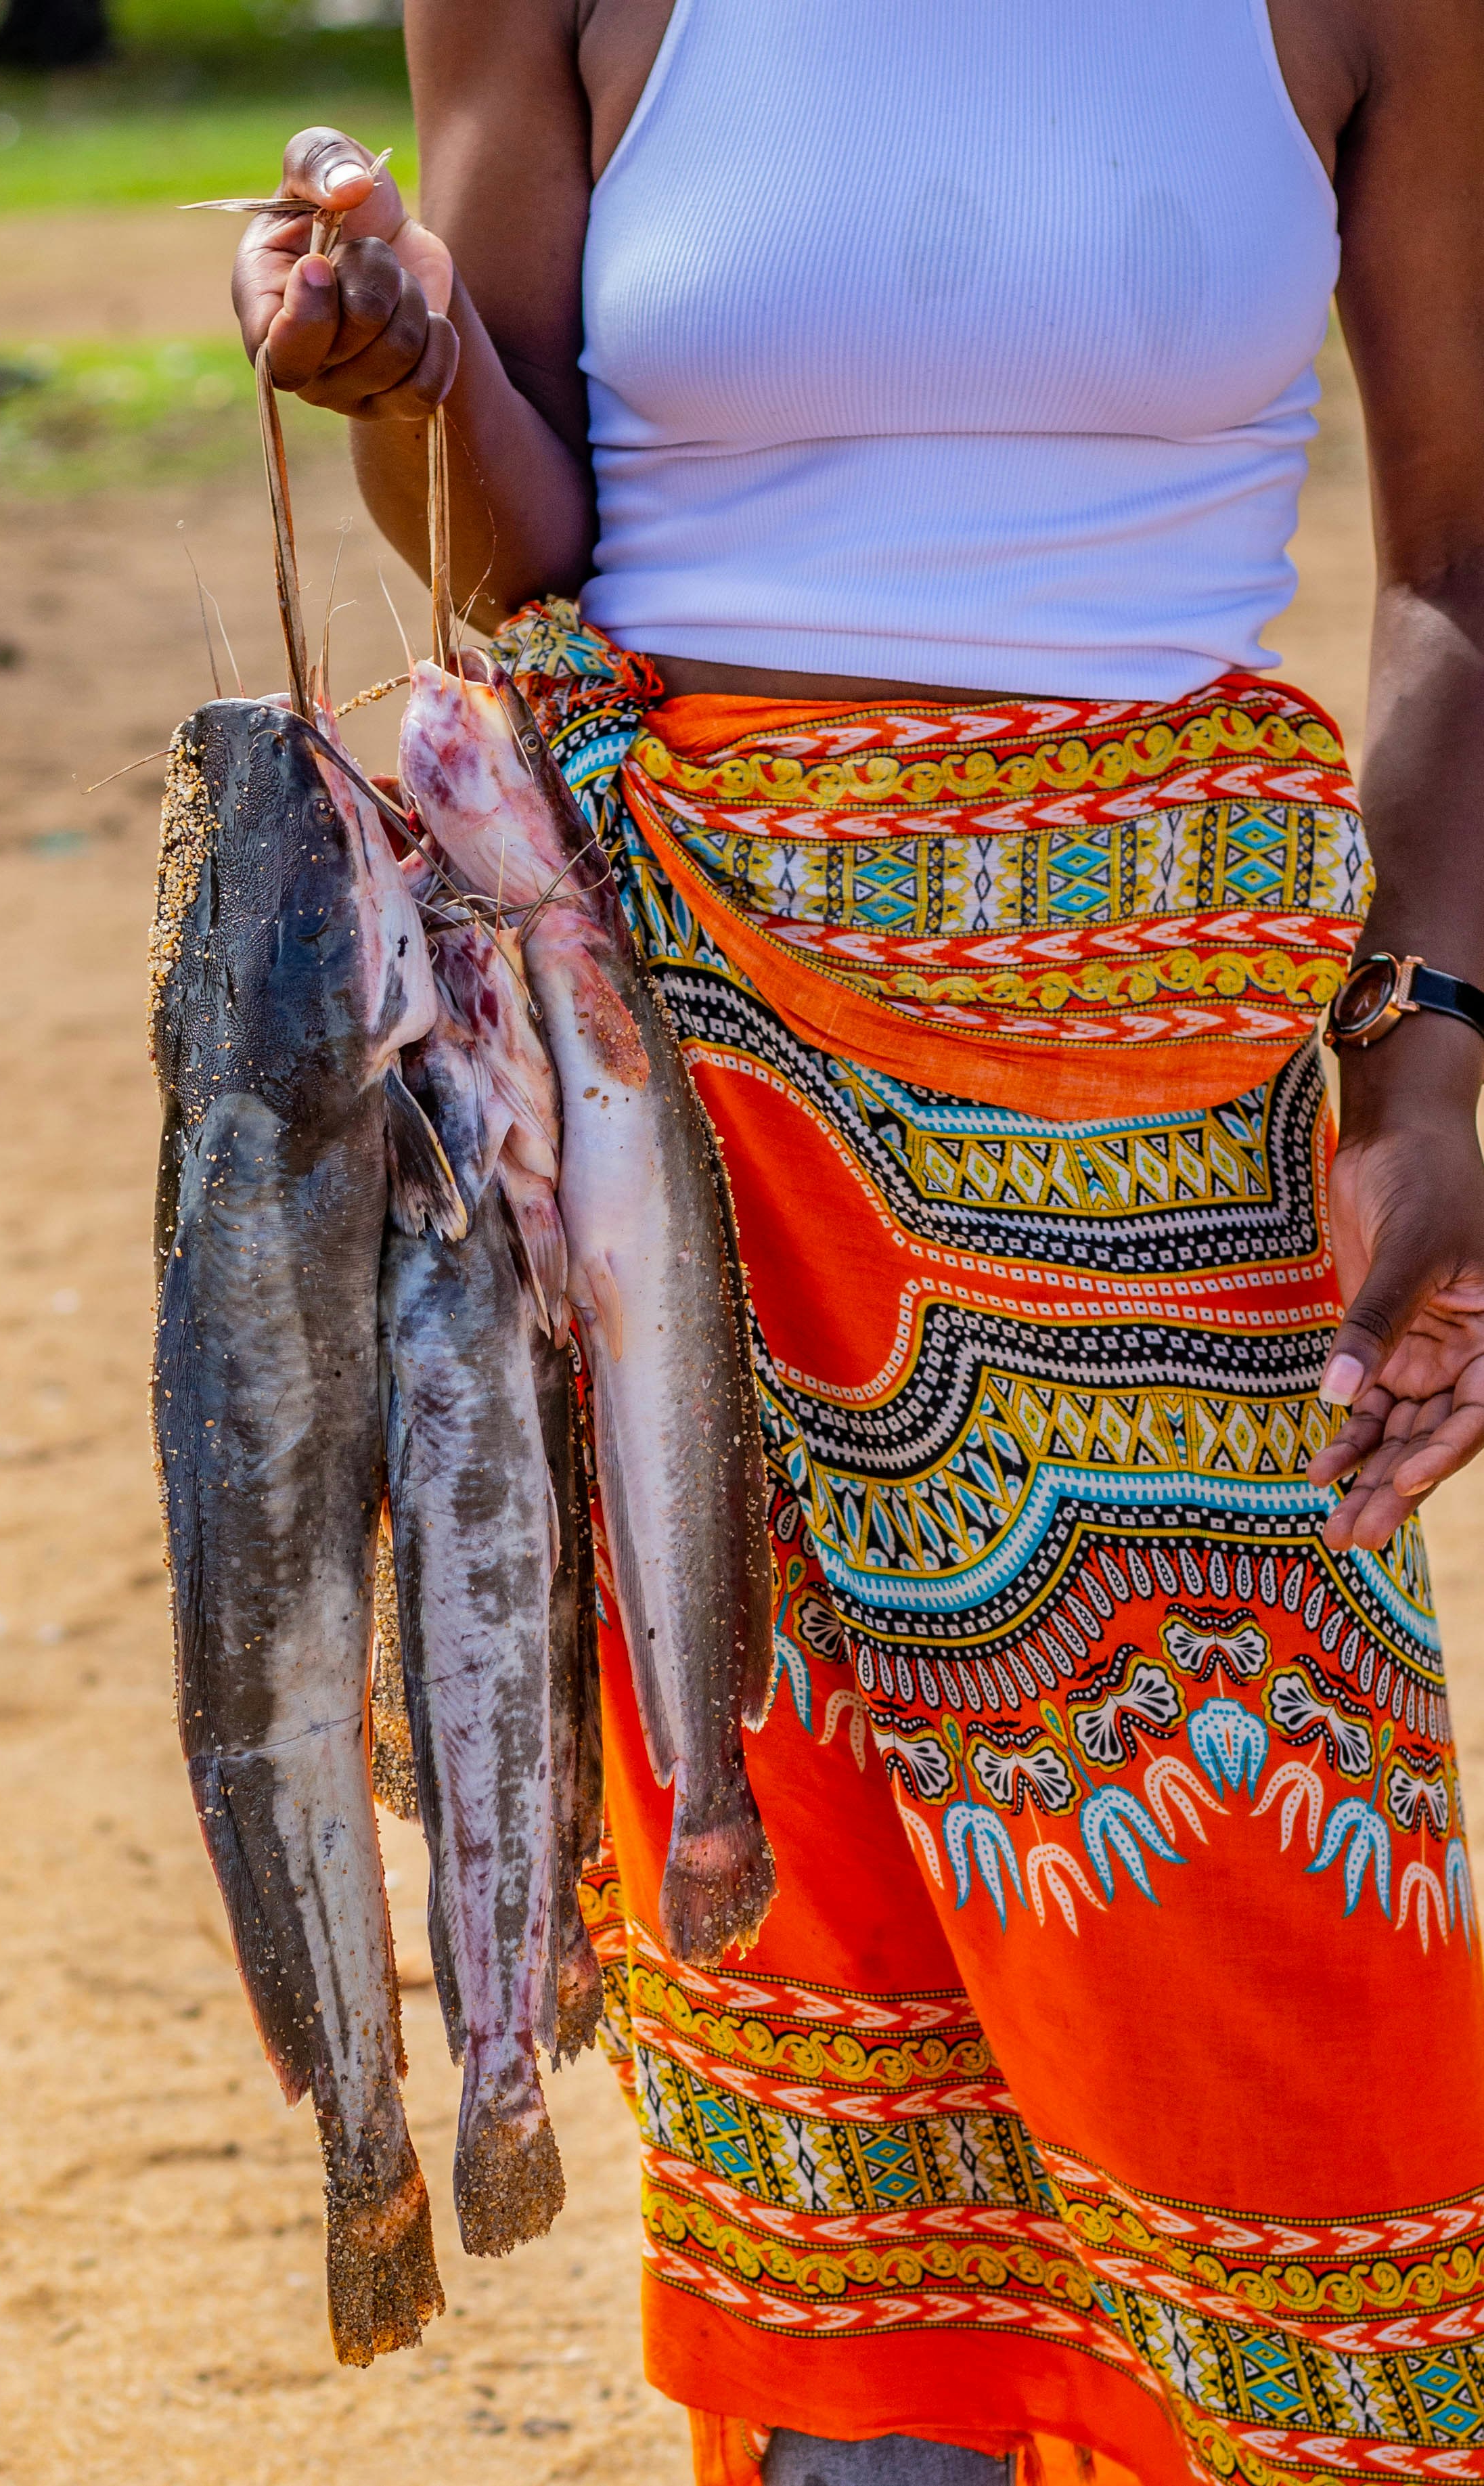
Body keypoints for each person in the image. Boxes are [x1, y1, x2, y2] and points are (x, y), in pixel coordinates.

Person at [229, 5, 1484, 2481]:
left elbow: (1465, 549)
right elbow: (521, 539)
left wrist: (1431, 1054)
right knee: (817, 2022)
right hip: (709, 1114)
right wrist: (401, 368)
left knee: (1283, 1994)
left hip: (1183, 1117)